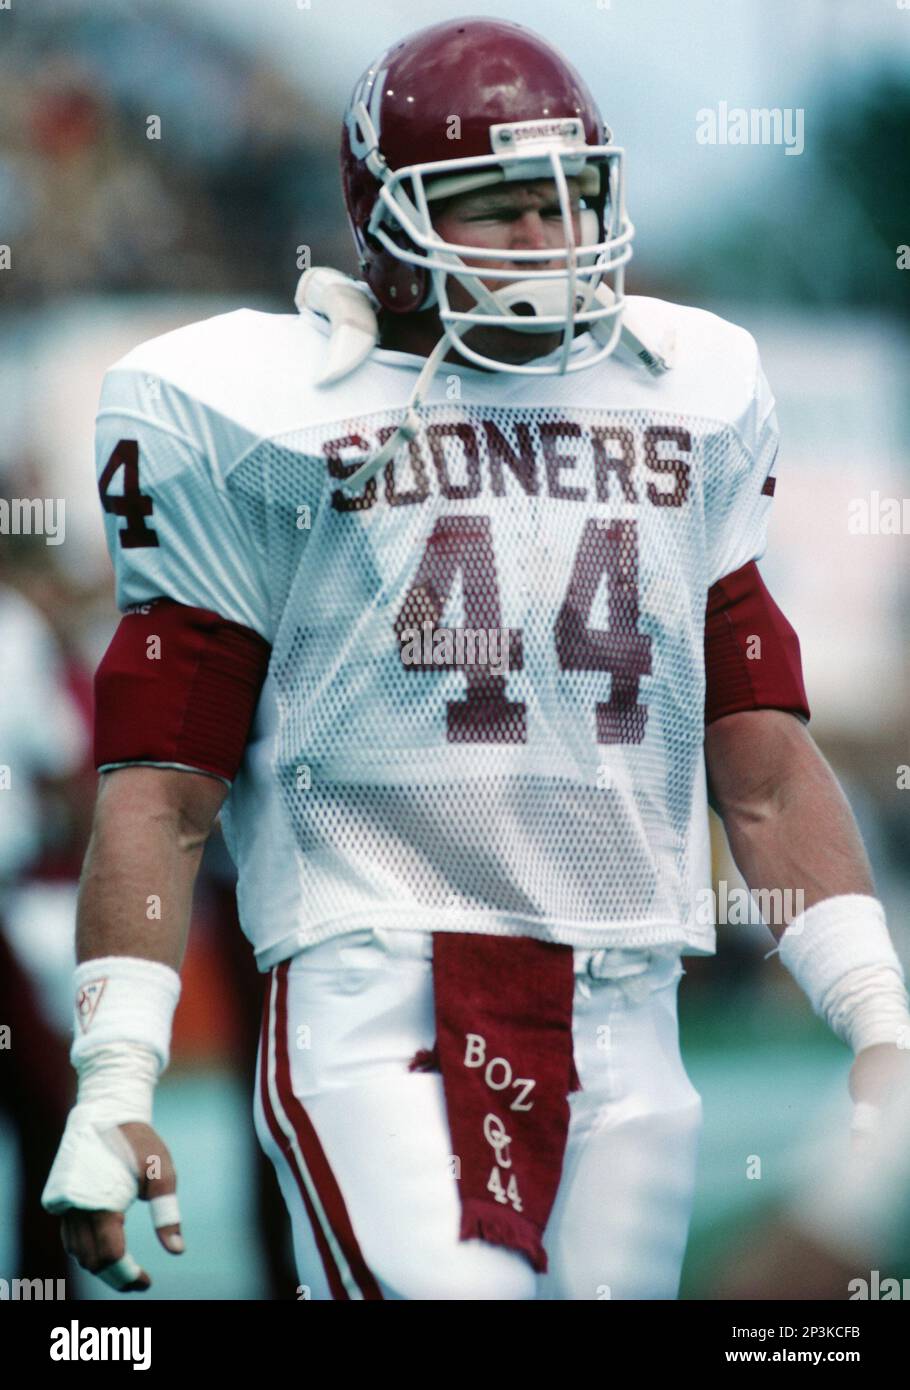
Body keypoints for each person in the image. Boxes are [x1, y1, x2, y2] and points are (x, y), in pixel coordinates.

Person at [42, 17, 910, 1300]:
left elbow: (764, 761)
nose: (547, 238)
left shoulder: (692, 387)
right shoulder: (254, 414)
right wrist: (115, 1072)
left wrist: (878, 1017)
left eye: (574, 198)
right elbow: (164, 789)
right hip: (379, 990)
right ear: (382, 221)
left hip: (629, 997)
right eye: (497, 204)